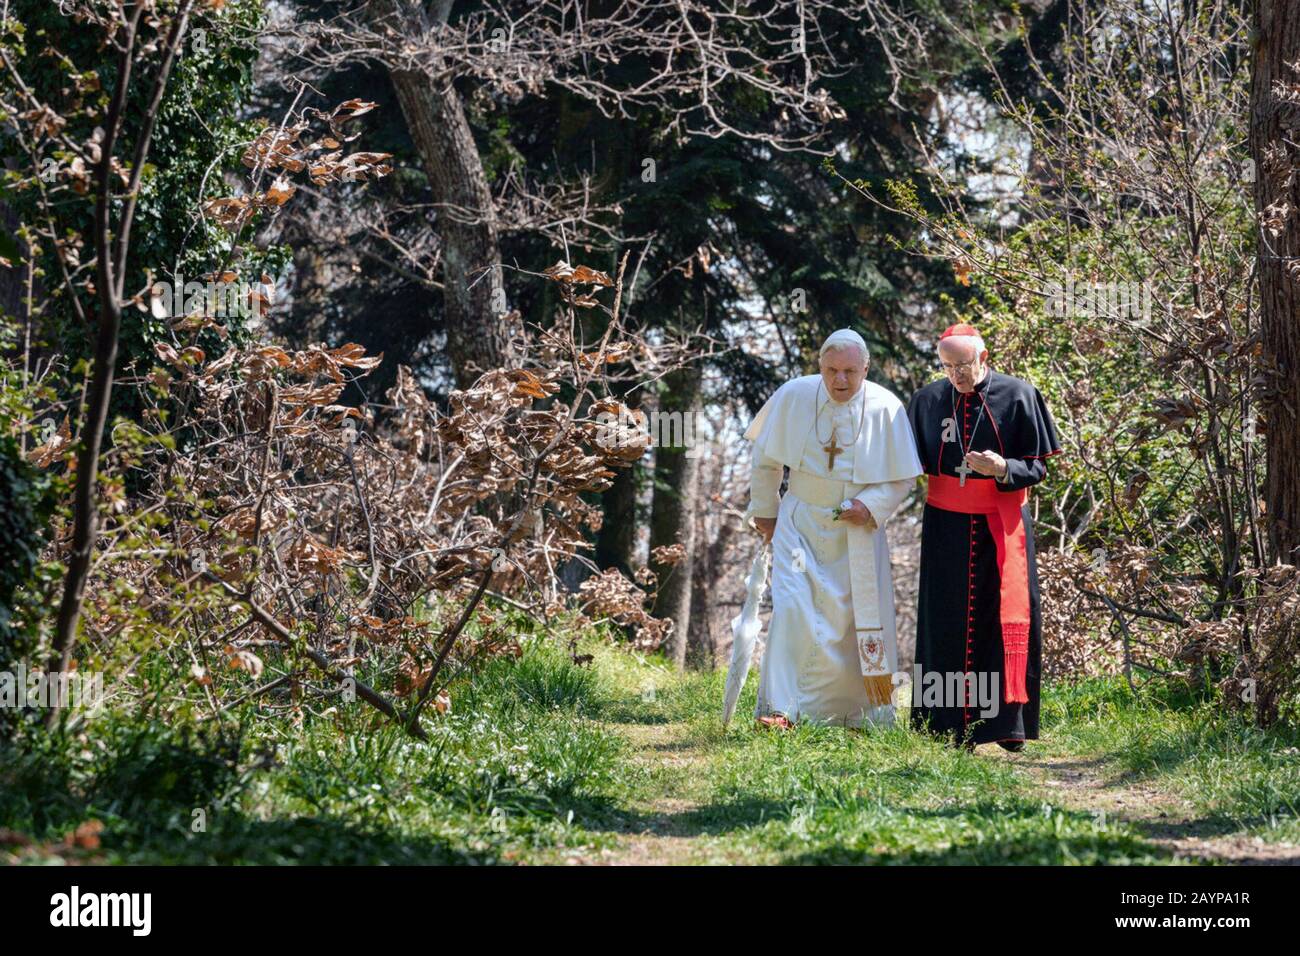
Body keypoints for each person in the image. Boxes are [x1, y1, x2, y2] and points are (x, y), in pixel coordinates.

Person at [742, 329, 922, 730]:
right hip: (799, 521)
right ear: (819, 367)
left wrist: (869, 506)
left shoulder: (885, 407)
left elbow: (901, 478)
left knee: (853, 622)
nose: (840, 381)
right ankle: (782, 709)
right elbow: (766, 460)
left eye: (850, 372)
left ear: (866, 369)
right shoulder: (794, 395)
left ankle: (859, 715)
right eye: (831, 370)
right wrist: (766, 512)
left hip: (856, 531)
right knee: (792, 609)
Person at [906, 323, 1063, 751]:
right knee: (946, 623)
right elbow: (904, 463)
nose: (956, 375)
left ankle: (1005, 726)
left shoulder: (1019, 395)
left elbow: (1038, 468)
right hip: (945, 526)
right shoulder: (926, 400)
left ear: (983, 357)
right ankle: (946, 726)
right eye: (948, 366)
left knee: (1003, 620)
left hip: (1002, 522)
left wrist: (1002, 469)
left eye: (964, 365)